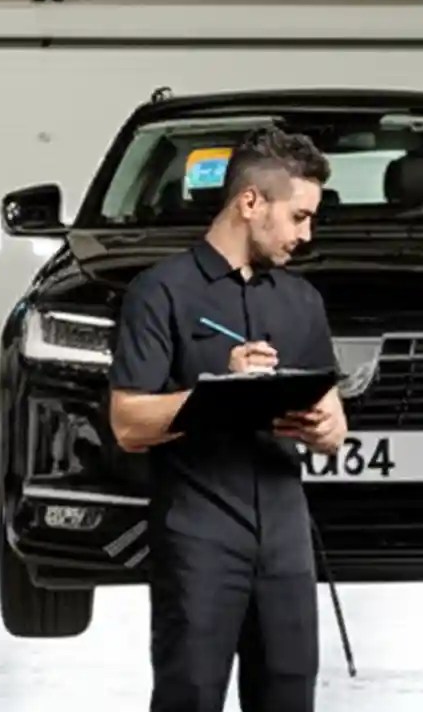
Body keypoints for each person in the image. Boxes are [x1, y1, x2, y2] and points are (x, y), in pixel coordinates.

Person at [106, 126, 348, 712]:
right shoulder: (159, 293)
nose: (305, 235)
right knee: (190, 695)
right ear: (250, 203)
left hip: (287, 536)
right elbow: (128, 423)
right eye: (298, 217)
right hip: (199, 534)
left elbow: (335, 423)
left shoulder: (301, 301)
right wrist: (218, 392)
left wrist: (325, 430)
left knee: (289, 696)